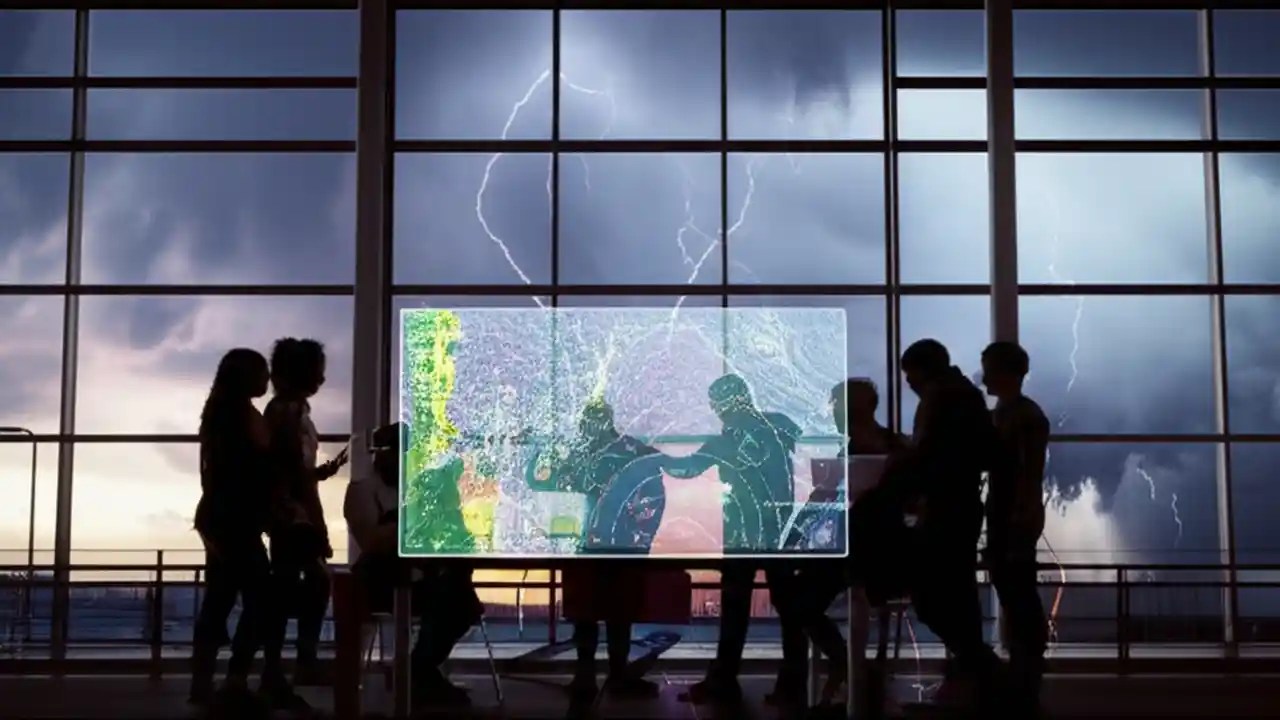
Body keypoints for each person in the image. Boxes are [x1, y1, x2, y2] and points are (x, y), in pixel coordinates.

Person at [661, 374, 809, 707]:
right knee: (790, 610)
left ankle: (725, 680)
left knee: (735, 609)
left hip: (744, 535)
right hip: (779, 533)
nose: (717, 412)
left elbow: (686, 470)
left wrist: (653, 459)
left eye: (717, 405)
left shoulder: (724, 442)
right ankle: (794, 682)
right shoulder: (779, 426)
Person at [883, 339, 1002, 710]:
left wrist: (899, 483)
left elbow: (924, 456)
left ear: (923, 369)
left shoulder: (938, 398)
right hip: (963, 507)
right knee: (958, 595)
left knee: (931, 597)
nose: (907, 382)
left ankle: (980, 665)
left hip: (945, 510)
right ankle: (976, 675)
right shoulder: (967, 396)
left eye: (909, 374)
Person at [526, 400, 664, 701]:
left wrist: (538, 450)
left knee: (587, 616)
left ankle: (586, 676)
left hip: (588, 547)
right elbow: (655, 493)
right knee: (619, 617)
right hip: (624, 550)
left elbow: (538, 480)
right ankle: (616, 677)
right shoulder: (633, 452)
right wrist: (642, 541)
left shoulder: (580, 456)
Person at [788, 379, 908, 715]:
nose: (833, 413)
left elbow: (825, 495)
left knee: (802, 600)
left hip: (868, 552)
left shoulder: (875, 450)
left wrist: (795, 534)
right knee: (803, 600)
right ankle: (851, 671)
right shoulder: (892, 447)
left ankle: (848, 670)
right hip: (869, 550)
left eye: (837, 406)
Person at [344, 422, 482, 708]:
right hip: (381, 582)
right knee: (449, 597)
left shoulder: (420, 489)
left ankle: (417, 670)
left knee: (461, 602)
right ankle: (419, 675)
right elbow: (371, 541)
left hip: (424, 581)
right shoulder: (362, 491)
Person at [262, 338, 348, 695]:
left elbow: (292, 470)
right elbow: (296, 474)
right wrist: (319, 525)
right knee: (310, 583)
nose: (322, 379)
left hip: (285, 514)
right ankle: (298, 663)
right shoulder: (291, 413)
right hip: (292, 516)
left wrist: (324, 472)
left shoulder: (283, 411)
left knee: (292, 587)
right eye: (318, 371)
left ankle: (282, 667)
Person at [189, 349, 275, 706]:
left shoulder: (219, 417)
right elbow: (256, 472)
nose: (267, 380)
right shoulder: (244, 418)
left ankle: (205, 683)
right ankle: (235, 679)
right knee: (261, 602)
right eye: (262, 373)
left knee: (220, 601)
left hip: (220, 520)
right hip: (237, 522)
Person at [980, 341, 1050, 716]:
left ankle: (1025, 682)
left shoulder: (1020, 417)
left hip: (1012, 519)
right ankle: (1024, 680)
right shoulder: (1014, 414)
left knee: (1019, 600)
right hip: (1011, 518)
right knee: (1017, 598)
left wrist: (1020, 518)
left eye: (988, 369)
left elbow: (1027, 475)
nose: (984, 377)